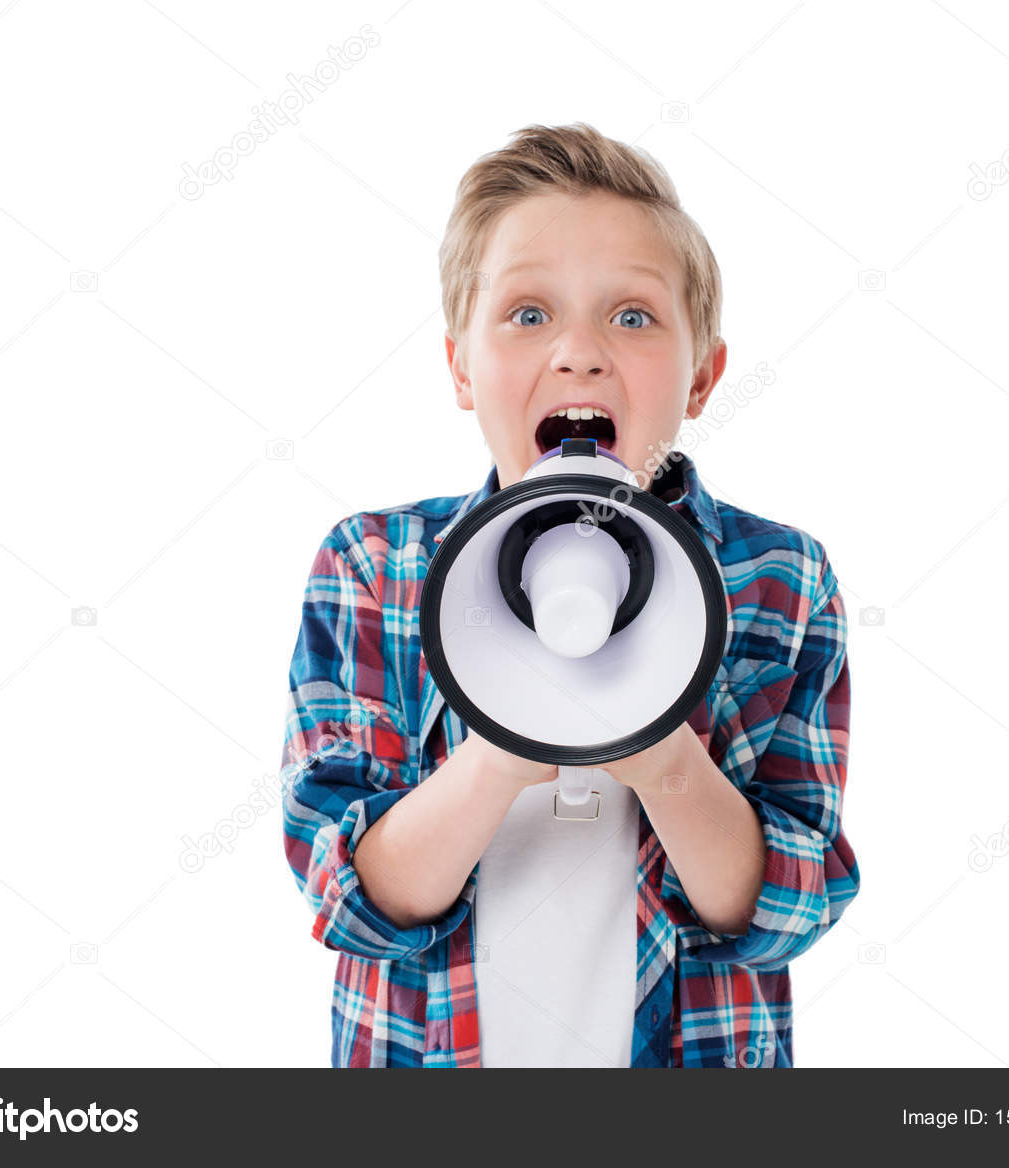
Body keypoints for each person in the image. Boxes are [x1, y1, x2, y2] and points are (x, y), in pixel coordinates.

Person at [280, 122, 857, 1067]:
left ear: (702, 376)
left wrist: (660, 750)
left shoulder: (781, 580)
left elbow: (788, 907)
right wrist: (502, 748)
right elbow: (352, 896)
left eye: (632, 318)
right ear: (462, 367)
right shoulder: (373, 567)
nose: (579, 353)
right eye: (527, 314)